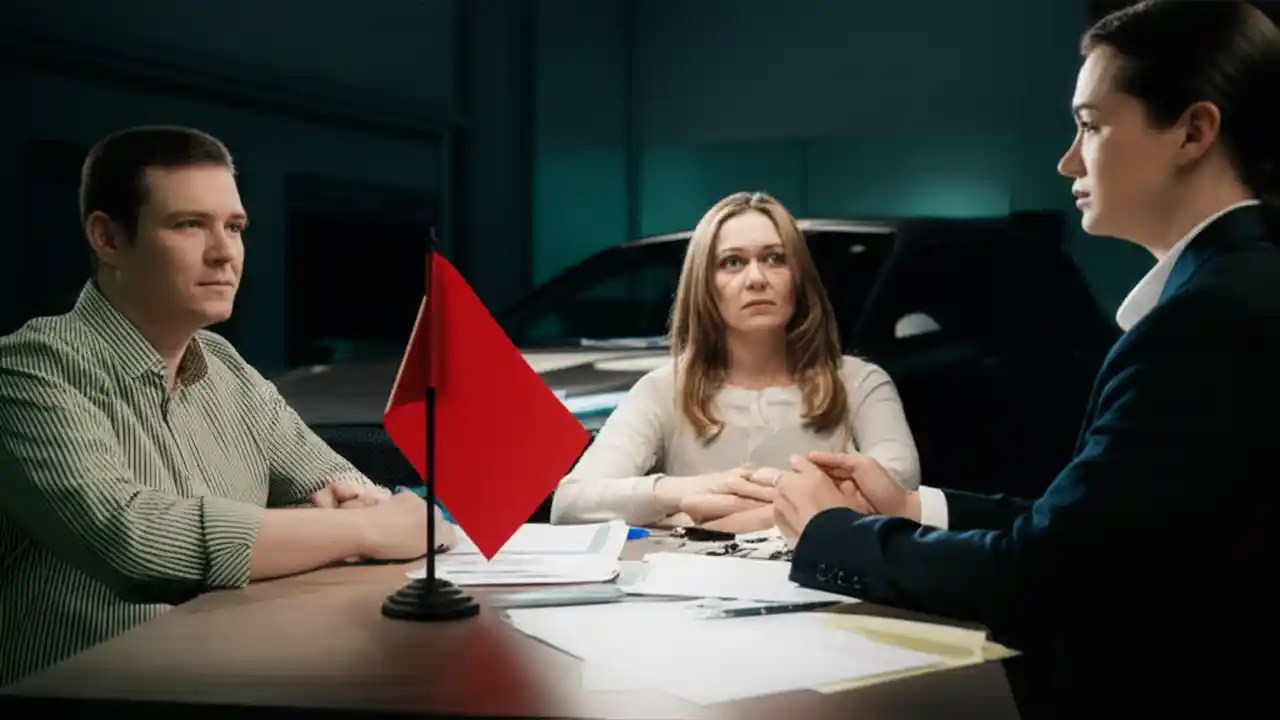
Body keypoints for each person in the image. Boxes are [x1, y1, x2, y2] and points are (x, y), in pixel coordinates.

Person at [771, 1, 1280, 715]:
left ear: (1193, 131)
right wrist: (914, 506)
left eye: (1090, 125)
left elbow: (1048, 575)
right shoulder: (1233, 290)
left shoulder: (1209, 321)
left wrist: (835, 535)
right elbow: (1100, 529)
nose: (1068, 159)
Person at [0, 126, 453, 687]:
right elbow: (135, 542)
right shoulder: (30, 369)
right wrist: (363, 532)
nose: (224, 253)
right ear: (107, 239)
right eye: (189, 225)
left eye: (234, 227)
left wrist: (359, 519)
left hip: (232, 677)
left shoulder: (224, 366)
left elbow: (347, 489)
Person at [550, 191, 919, 533]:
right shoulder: (662, 389)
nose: (756, 278)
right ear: (704, 285)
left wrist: (700, 522)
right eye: (732, 262)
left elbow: (899, 494)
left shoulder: (861, 383)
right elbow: (570, 504)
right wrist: (689, 492)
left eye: (775, 258)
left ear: (798, 278)